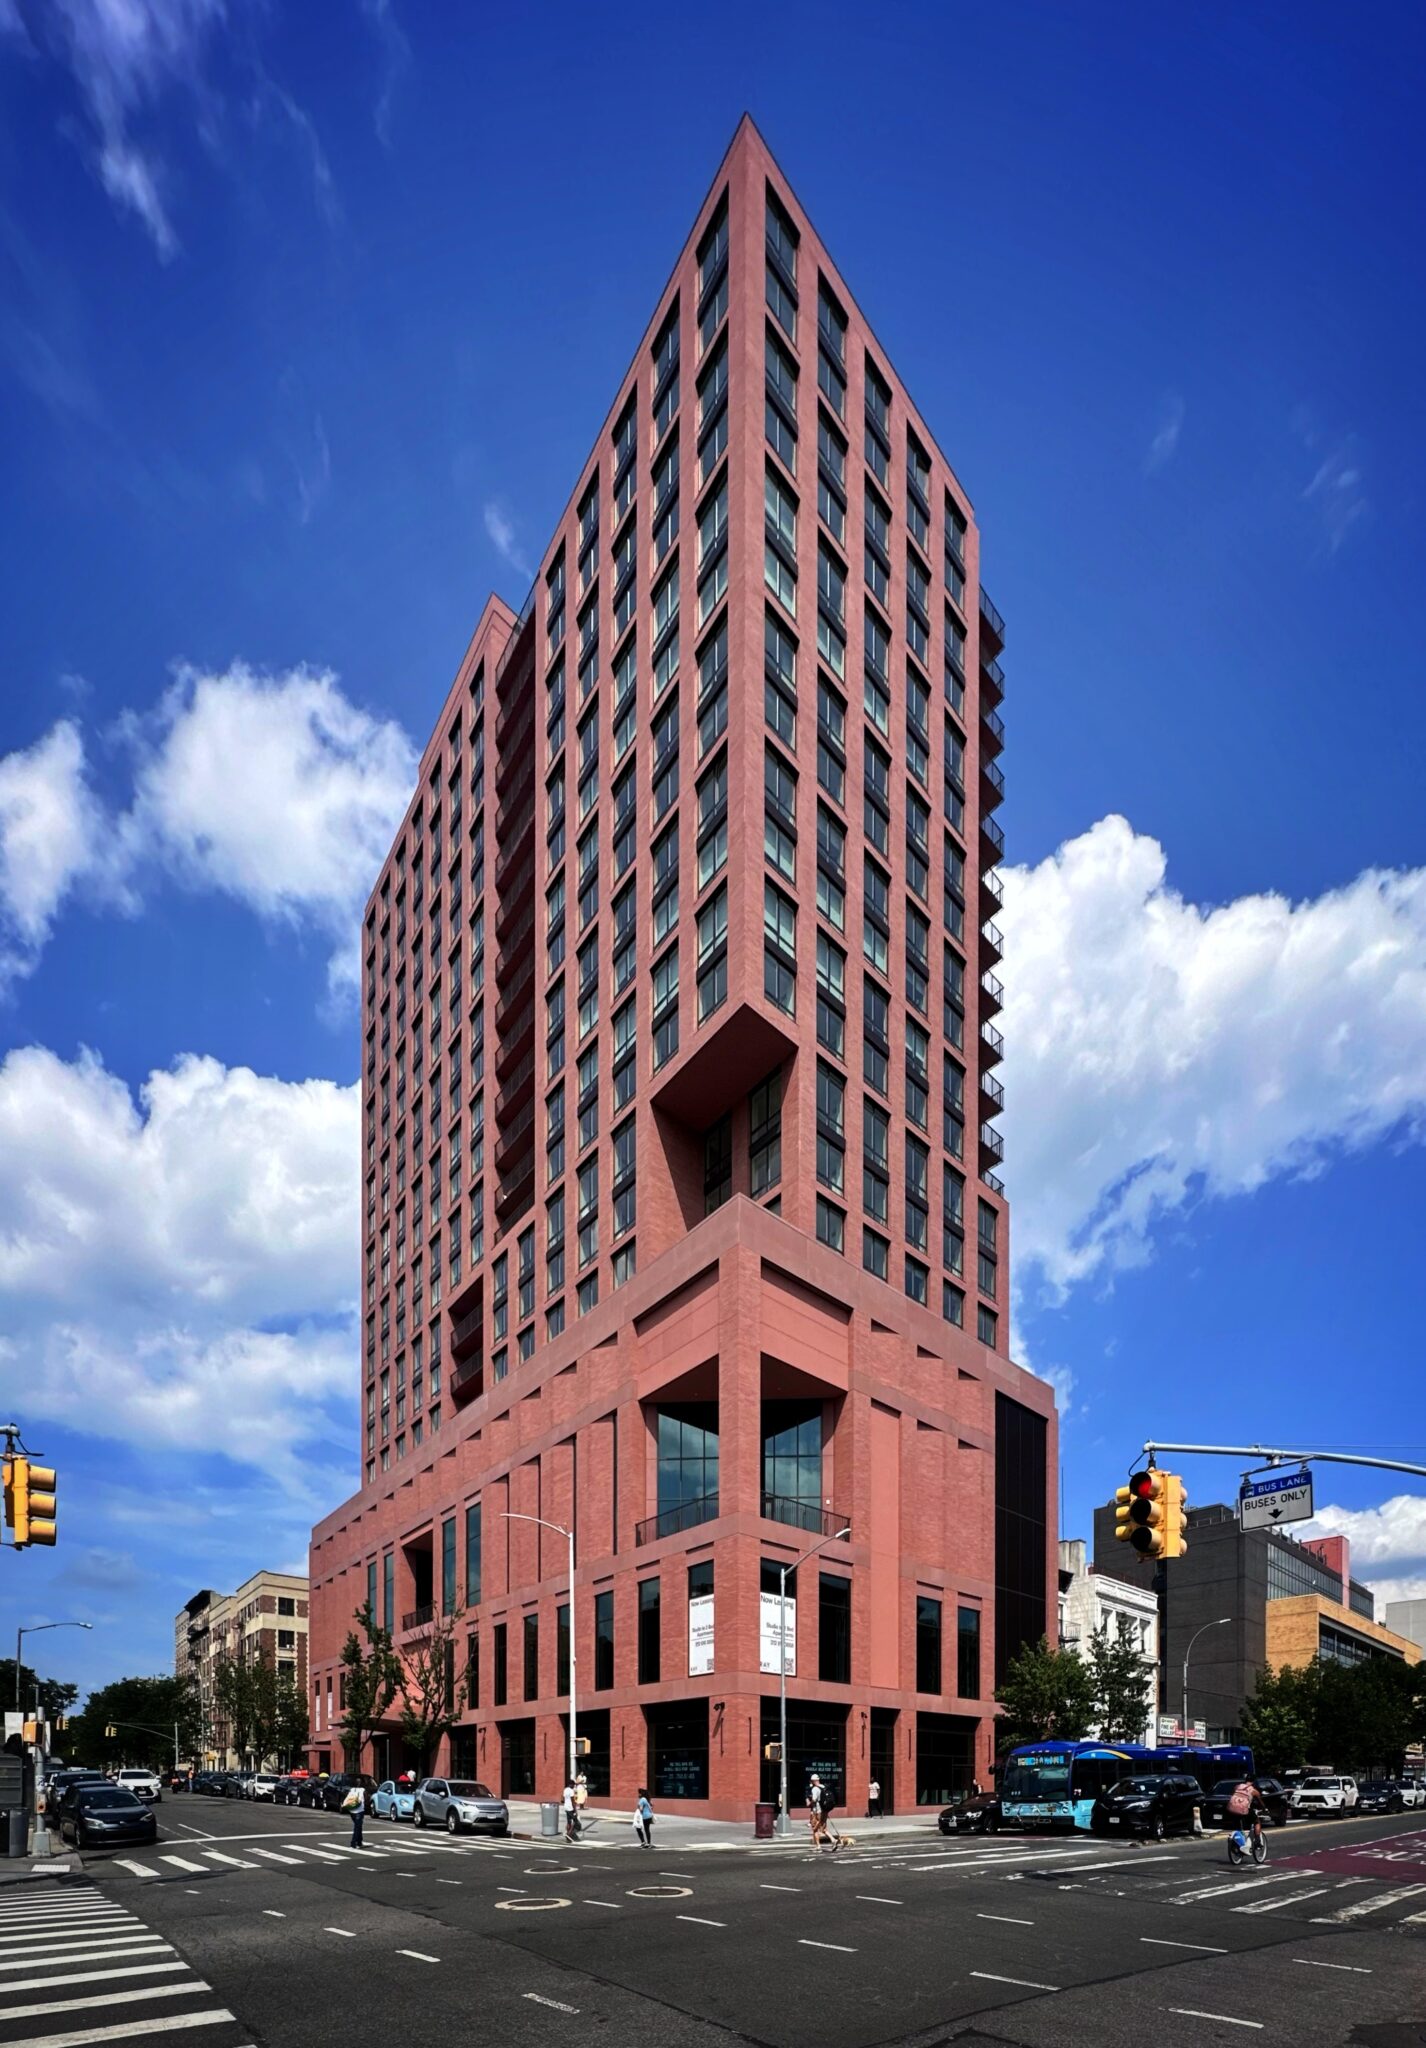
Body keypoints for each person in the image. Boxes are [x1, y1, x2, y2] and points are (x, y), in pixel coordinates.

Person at [344, 1779, 368, 1849]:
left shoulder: (352, 1790)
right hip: (359, 1810)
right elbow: (366, 1798)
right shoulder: (363, 1790)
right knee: (357, 1827)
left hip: (352, 1810)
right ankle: (353, 1843)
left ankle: (359, 1842)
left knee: (358, 1826)